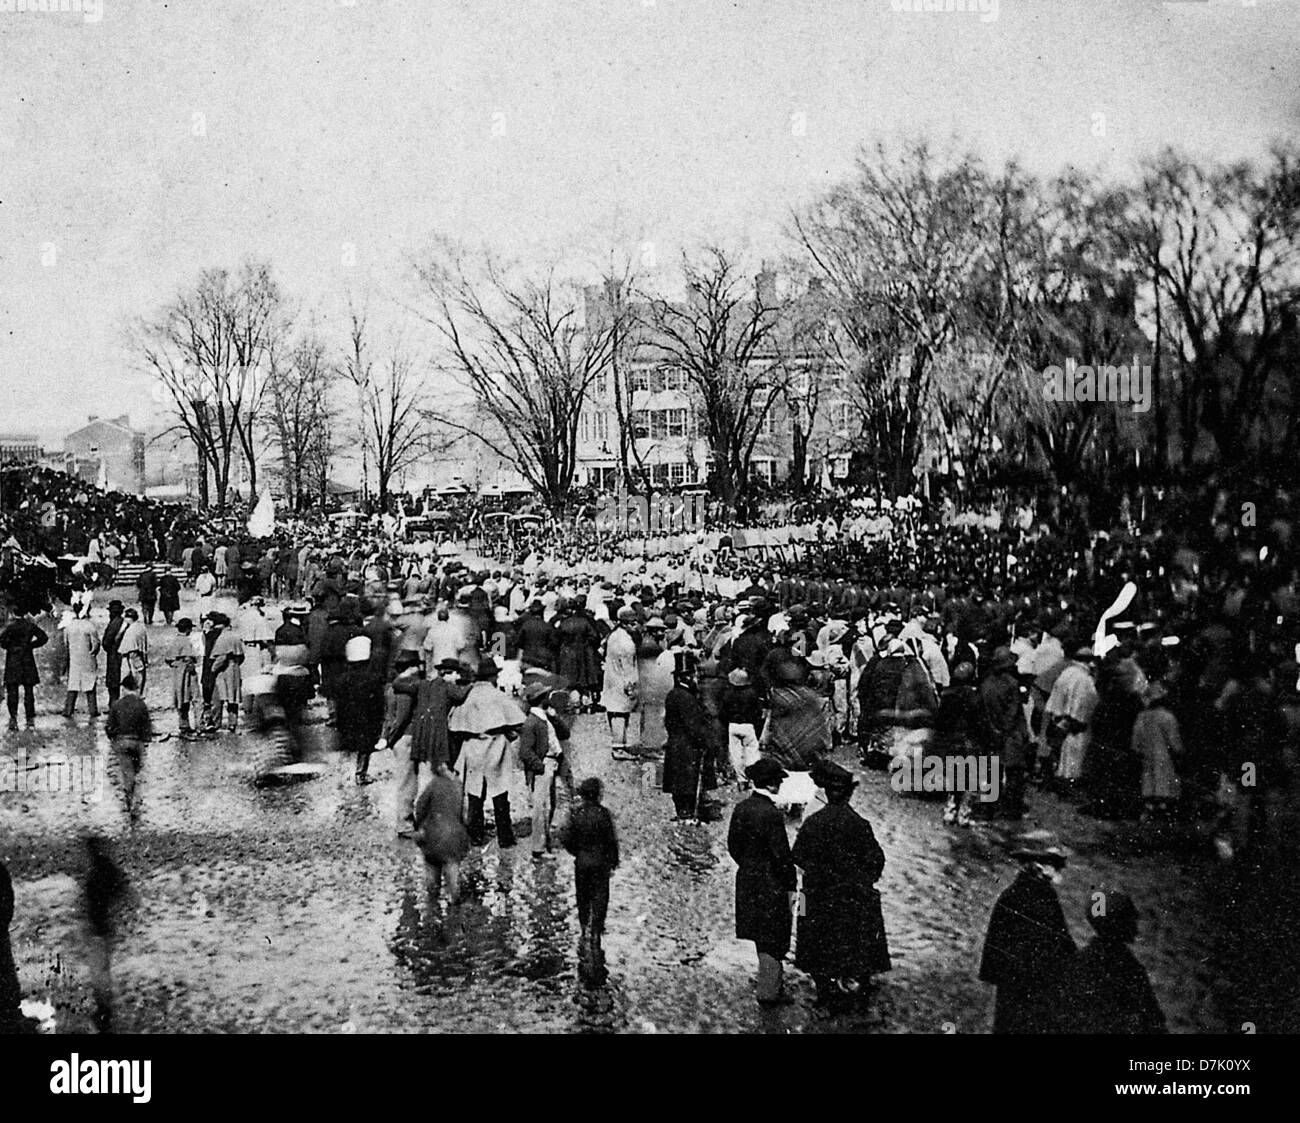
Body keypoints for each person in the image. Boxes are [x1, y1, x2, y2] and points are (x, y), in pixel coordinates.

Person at [791, 760, 891, 1004]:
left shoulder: (812, 823)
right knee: (858, 939)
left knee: (817, 941)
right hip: (853, 895)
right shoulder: (859, 824)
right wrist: (863, 880)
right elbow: (877, 860)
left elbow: (797, 857)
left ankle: (824, 991)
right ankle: (860, 988)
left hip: (816, 895)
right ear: (848, 794)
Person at [978, 848, 1077, 1033]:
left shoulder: (1010, 895)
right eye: (1054, 865)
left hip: (1011, 985)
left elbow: (994, 944)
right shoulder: (1046, 897)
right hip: (1037, 984)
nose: (1059, 870)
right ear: (1041, 867)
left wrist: (994, 975)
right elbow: (1062, 941)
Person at [727, 757, 797, 1006]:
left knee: (759, 933)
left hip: (747, 881)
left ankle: (769, 983)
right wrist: (792, 888)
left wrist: (748, 866)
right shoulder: (771, 814)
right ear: (772, 784)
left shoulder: (741, 808)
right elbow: (782, 857)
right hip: (773, 885)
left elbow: (733, 846)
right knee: (775, 937)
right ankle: (769, 991)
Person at [449, 661, 526, 849]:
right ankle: (505, 836)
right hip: (495, 745)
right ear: (492, 676)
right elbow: (517, 721)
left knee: (475, 793)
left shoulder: (467, 696)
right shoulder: (497, 695)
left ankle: (475, 835)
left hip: (473, 746)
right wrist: (508, 732)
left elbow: (454, 726)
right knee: (500, 792)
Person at [389, 658, 470, 837]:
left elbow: (398, 685)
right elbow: (461, 696)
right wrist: (472, 686)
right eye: (456, 674)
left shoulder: (422, 684)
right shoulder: (449, 687)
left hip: (421, 738)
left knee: (418, 779)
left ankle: (415, 821)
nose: (457, 677)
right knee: (437, 777)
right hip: (438, 740)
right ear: (448, 674)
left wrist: (406, 674)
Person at [1071, 888, 1167, 1033]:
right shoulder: (1128, 968)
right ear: (1117, 924)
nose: (1135, 925)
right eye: (1130, 919)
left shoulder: (1079, 960)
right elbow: (1153, 1020)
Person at [562, 777, 620, 954]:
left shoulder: (576, 814)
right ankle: (596, 931)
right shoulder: (604, 814)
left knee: (583, 896)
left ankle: (583, 927)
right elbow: (611, 841)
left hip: (582, 863)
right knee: (600, 896)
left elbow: (567, 838)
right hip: (601, 864)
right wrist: (613, 861)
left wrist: (577, 853)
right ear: (598, 796)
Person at [662, 650, 717, 820]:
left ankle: (684, 812)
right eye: (691, 674)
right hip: (688, 747)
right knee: (687, 782)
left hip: (676, 744)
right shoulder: (686, 698)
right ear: (683, 678)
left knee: (680, 782)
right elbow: (694, 727)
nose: (695, 677)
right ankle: (687, 813)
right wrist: (707, 742)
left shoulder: (673, 694)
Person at [518, 680, 565, 855]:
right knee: (541, 807)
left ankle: (545, 841)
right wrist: (541, 768)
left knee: (550, 804)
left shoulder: (544, 717)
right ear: (541, 699)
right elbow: (524, 752)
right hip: (543, 766)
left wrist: (554, 717)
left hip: (551, 763)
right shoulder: (532, 722)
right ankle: (538, 848)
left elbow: (564, 733)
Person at [413, 762, 472, 905]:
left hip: (433, 836)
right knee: (452, 869)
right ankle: (454, 901)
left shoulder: (434, 784)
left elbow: (420, 807)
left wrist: (418, 826)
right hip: (454, 837)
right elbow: (465, 814)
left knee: (432, 871)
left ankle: (433, 904)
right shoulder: (458, 785)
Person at [336, 635, 386, 784]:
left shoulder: (343, 679)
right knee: (365, 747)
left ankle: (343, 774)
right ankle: (360, 773)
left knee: (348, 745)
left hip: (348, 716)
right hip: (367, 717)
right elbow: (379, 702)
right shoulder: (374, 678)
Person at [1131, 680, 1184, 819]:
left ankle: (1149, 810)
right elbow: (1174, 743)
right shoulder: (1168, 717)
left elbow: (1136, 743)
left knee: (1149, 786)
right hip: (1165, 759)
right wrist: (1180, 753)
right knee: (1164, 788)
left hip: (1147, 758)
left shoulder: (1141, 717)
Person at [600, 606, 640, 756]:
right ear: (624, 623)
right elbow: (628, 667)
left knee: (615, 711)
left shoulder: (614, 635)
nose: (634, 625)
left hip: (611, 677)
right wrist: (631, 684)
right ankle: (618, 746)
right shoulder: (626, 643)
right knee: (620, 712)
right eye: (631, 623)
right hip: (621, 679)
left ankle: (619, 742)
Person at [0, 607, 48, 730]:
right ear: (25, 613)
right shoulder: (29, 625)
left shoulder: (10, 627)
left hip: (13, 661)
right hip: (27, 659)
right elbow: (43, 637)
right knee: (29, 691)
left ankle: (13, 718)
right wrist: (31, 645)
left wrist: (10, 647)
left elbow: (2, 641)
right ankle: (30, 718)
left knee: (12, 691)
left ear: (13, 613)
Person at [720, 667, 764, 788]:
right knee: (752, 753)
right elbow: (758, 712)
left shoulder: (728, 694)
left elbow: (723, 712)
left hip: (733, 725)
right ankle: (754, 779)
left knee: (736, 755)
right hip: (748, 725)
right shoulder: (751, 693)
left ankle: (741, 780)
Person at [62, 608, 101, 719]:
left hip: (74, 659)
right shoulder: (90, 626)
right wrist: (93, 654)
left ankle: (68, 710)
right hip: (87, 658)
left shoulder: (68, 627)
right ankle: (93, 711)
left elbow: (66, 645)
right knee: (90, 685)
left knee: (73, 685)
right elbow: (96, 645)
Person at [167, 618, 200, 737]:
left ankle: (183, 725)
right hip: (187, 672)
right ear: (188, 629)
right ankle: (198, 725)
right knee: (195, 698)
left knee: (180, 698)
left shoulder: (175, 640)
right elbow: (190, 658)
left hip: (177, 672)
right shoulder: (186, 641)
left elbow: (168, 659)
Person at [117, 607, 149, 698]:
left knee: (132, 679)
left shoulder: (131, 630)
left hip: (132, 656)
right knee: (140, 679)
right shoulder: (141, 627)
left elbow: (129, 647)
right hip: (139, 655)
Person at [101, 599, 127, 706]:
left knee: (113, 682)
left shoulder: (114, 624)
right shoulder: (123, 622)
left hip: (113, 655)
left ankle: (113, 704)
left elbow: (106, 642)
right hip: (122, 654)